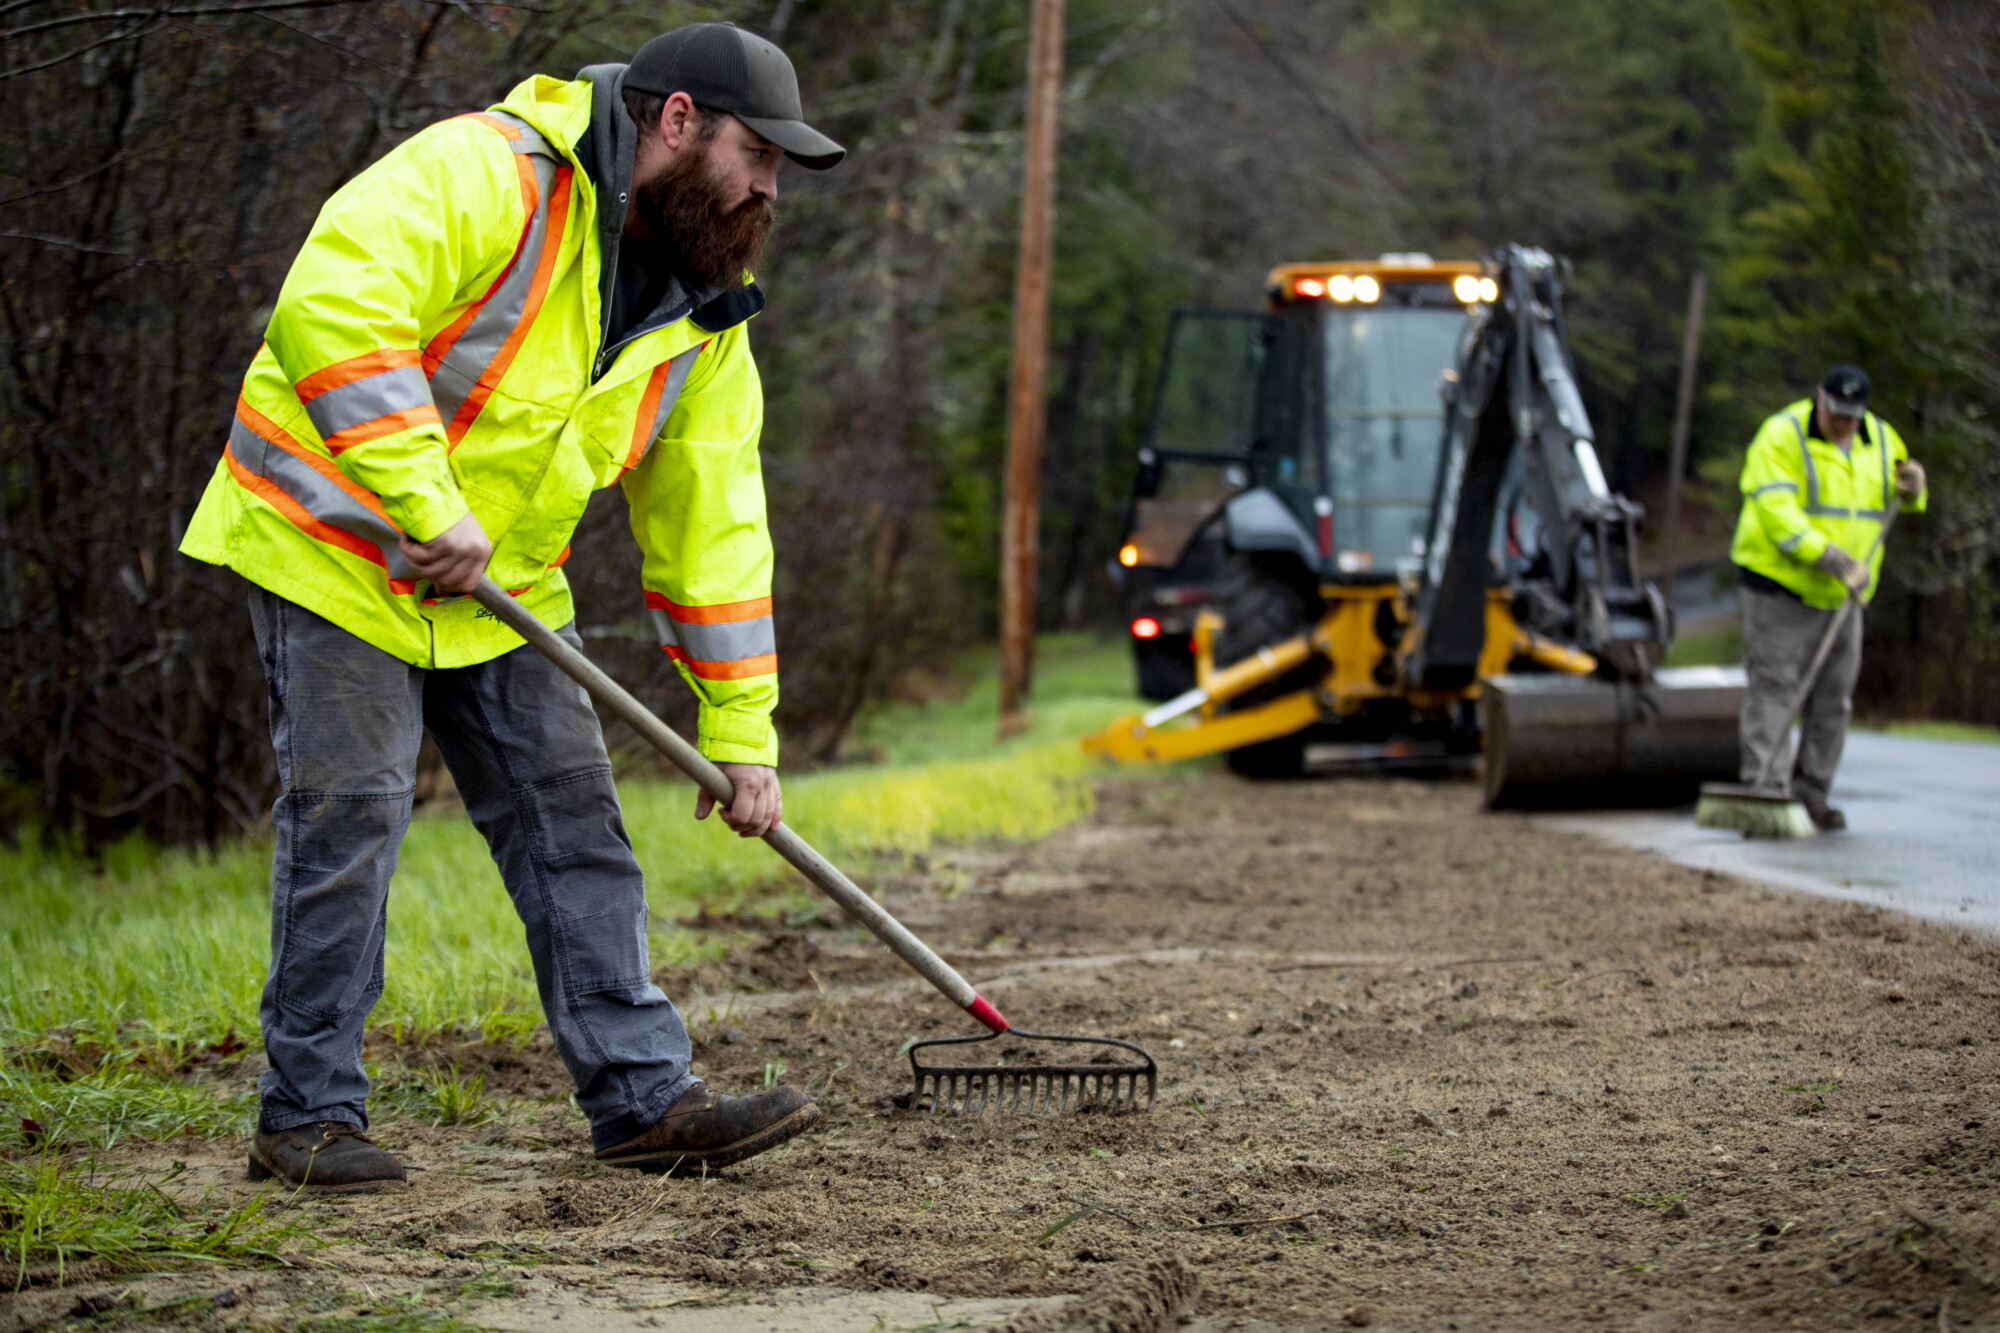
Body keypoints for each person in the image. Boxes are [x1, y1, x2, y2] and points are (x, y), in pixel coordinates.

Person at [178, 23, 845, 1191]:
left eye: (779, 169)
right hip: (337, 545)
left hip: (503, 593)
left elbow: (715, 533)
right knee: (352, 817)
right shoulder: (485, 172)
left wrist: (741, 735)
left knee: (574, 824)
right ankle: (306, 1114)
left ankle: (641, 1099)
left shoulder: (704, 312)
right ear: (676, 122)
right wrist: (422, 498)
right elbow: (335, 301)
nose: (767, 189)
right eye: (757, 155)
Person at [1729, 365, 1927, 831]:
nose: (1842, 423)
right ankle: (1765, 791)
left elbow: (1903, 495)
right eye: (1835, 412)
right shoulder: (1781, 436)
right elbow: (1777, 515)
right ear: (1820, 398)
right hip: (1780, 589)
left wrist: (1917, 488)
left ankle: (1812, 793)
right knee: (1775, 689)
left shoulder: (1882, 439)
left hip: (1844, 597)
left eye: (1851, 417)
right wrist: (1832, 558)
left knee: (1833, 700)